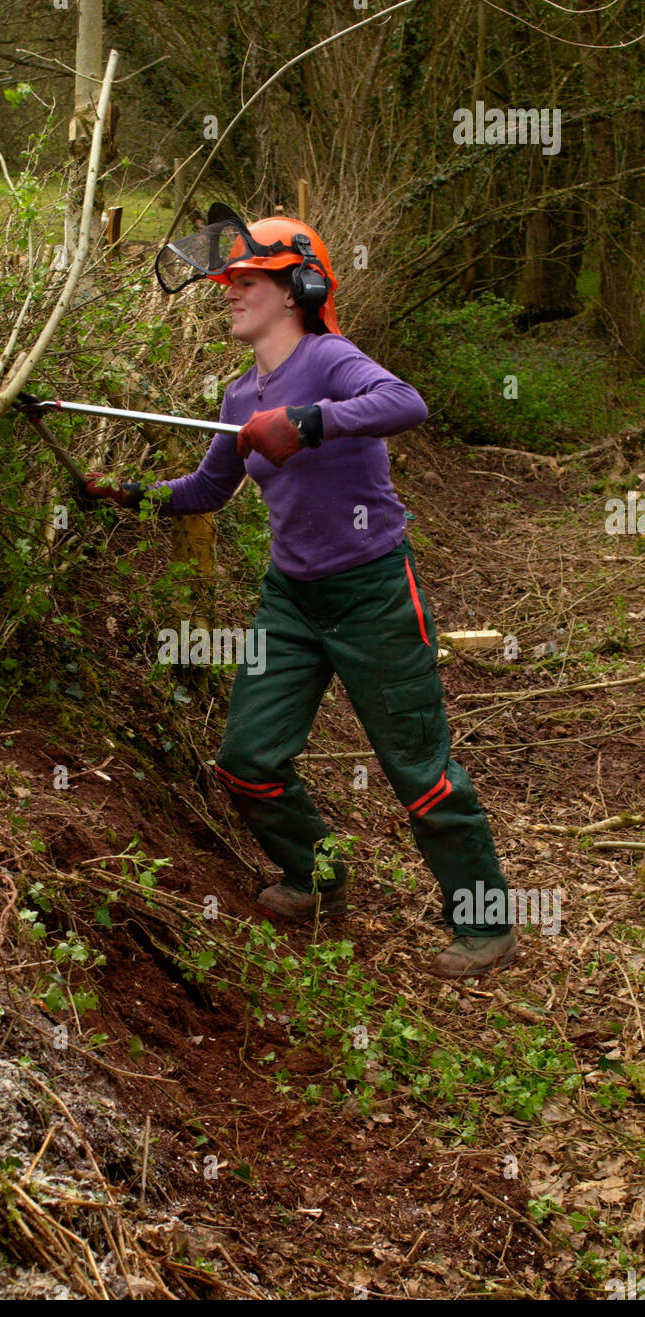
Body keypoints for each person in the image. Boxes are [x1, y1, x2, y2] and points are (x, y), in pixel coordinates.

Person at [87, 205, 517, 980]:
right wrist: (125, 494)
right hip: (292, 599)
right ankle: (319, 880)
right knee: (247, 760)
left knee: (419, 771)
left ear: (296, 289)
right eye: (227, 280)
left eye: (246, 279)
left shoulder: (330, 358)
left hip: (374, 591)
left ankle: (485, 923)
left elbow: (406, 404)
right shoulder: (234, 397)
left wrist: (310, 421)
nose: (229, 292)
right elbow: (206, 490)